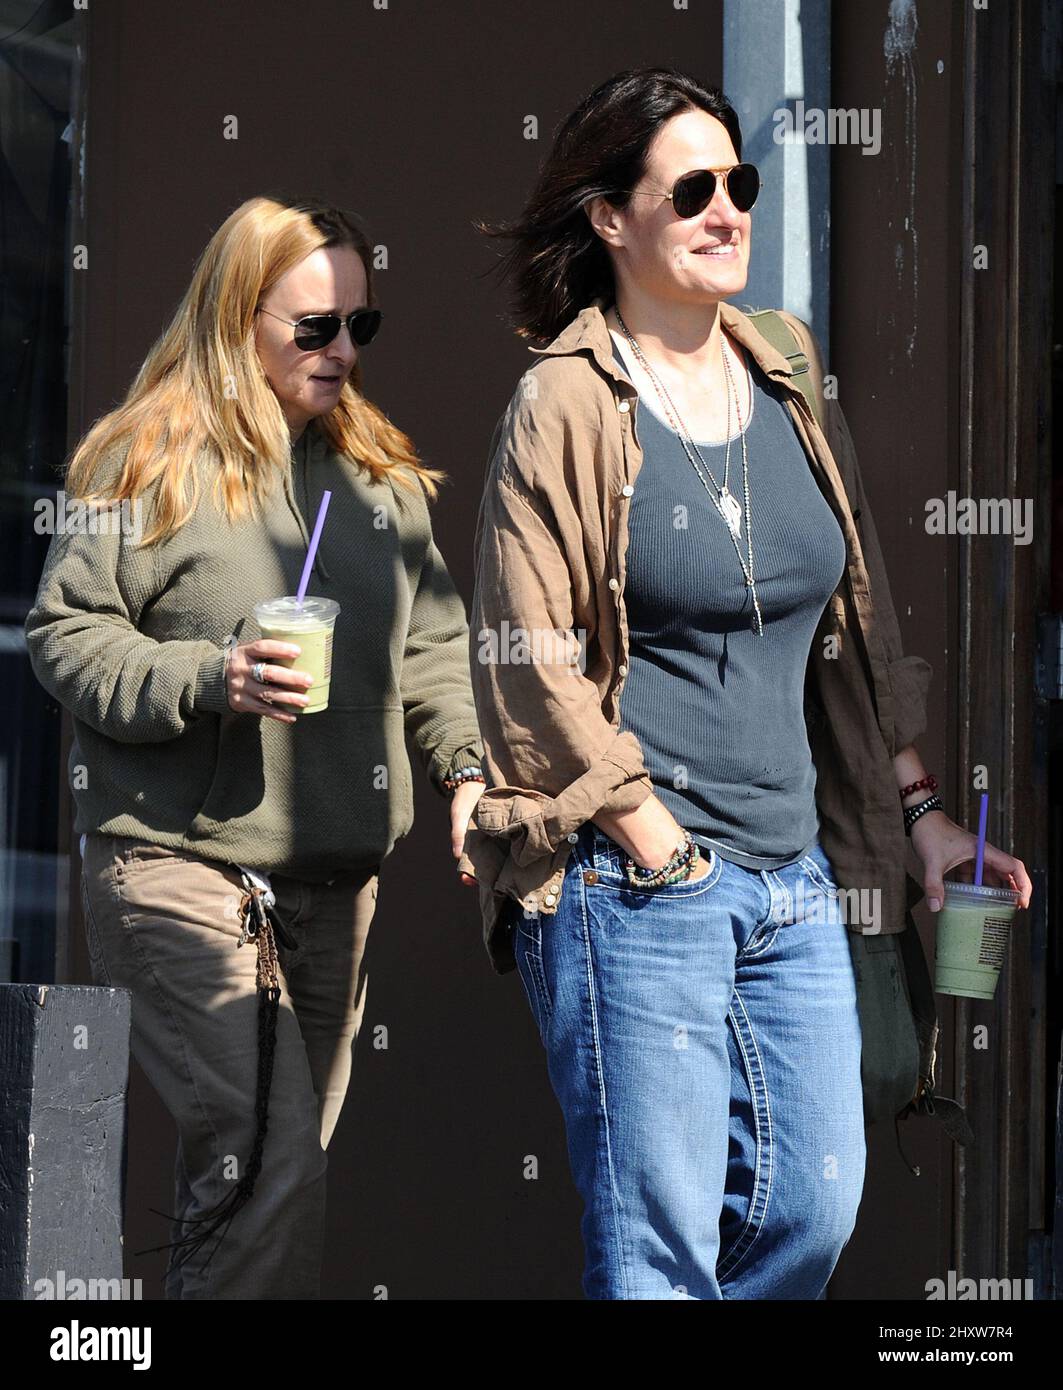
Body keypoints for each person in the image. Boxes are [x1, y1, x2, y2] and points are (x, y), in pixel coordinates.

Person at [464, 67, 1032, 1300]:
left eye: (742, 183)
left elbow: (853, 622)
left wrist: (922, 814)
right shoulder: (562, 402)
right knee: (656, 1249)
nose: (728, 210)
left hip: (798, 878)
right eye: (693, 189)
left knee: (815, 1211)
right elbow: (527, 657)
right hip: (636, 883)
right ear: (611, 217)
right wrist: (655, 839)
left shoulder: (781, 364)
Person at [24, 195, 485, 1300]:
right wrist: (207, 677)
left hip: (332, 887)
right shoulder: (140, 461)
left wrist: (466, 772)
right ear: (238, 317)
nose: (341, 353)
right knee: (269, 1166)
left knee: (252, 1186)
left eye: (359, 328)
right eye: (313, 327)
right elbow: (63, 633)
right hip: (179, 866)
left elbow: (434, 653)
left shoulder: (381, 482)